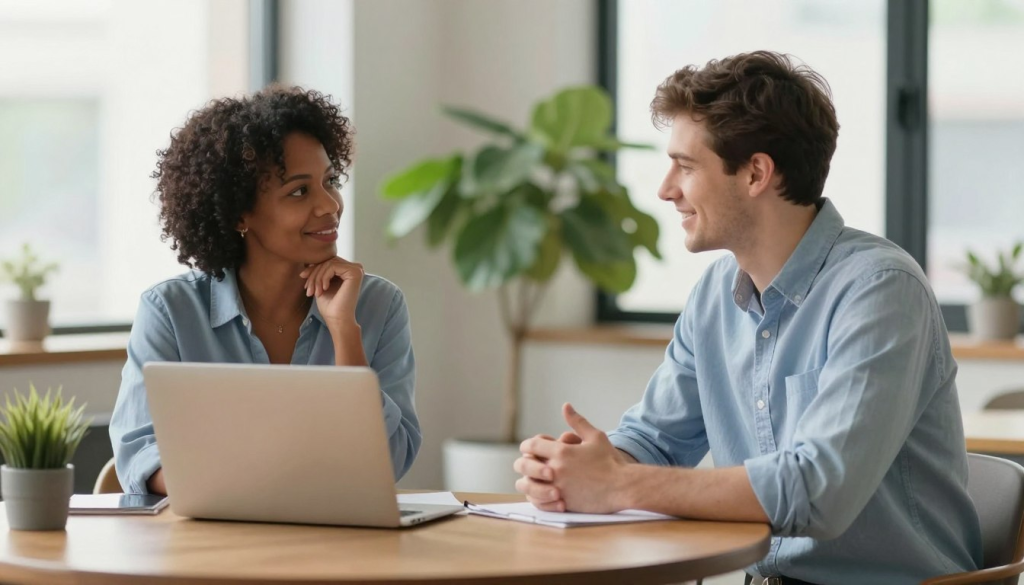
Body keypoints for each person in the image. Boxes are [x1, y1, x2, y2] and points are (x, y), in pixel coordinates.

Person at [514, 51, 982, 584]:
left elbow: (819, 490)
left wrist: (617, 485)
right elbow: (656, 443)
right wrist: (577, 467)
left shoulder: (880, 291)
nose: (666, 190)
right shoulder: (714, 294)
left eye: (686, 167)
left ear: (757, 172)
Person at [110, 86, 421, 495]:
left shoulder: (378, 305)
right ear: (240, 212)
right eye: (299, 191)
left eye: (330, 181)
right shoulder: (170, 310)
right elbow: (138, 454)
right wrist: (251, 489)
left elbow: (390, 461)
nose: (329, 205)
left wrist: (345, 331)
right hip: (212, 543)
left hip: (340, 546)